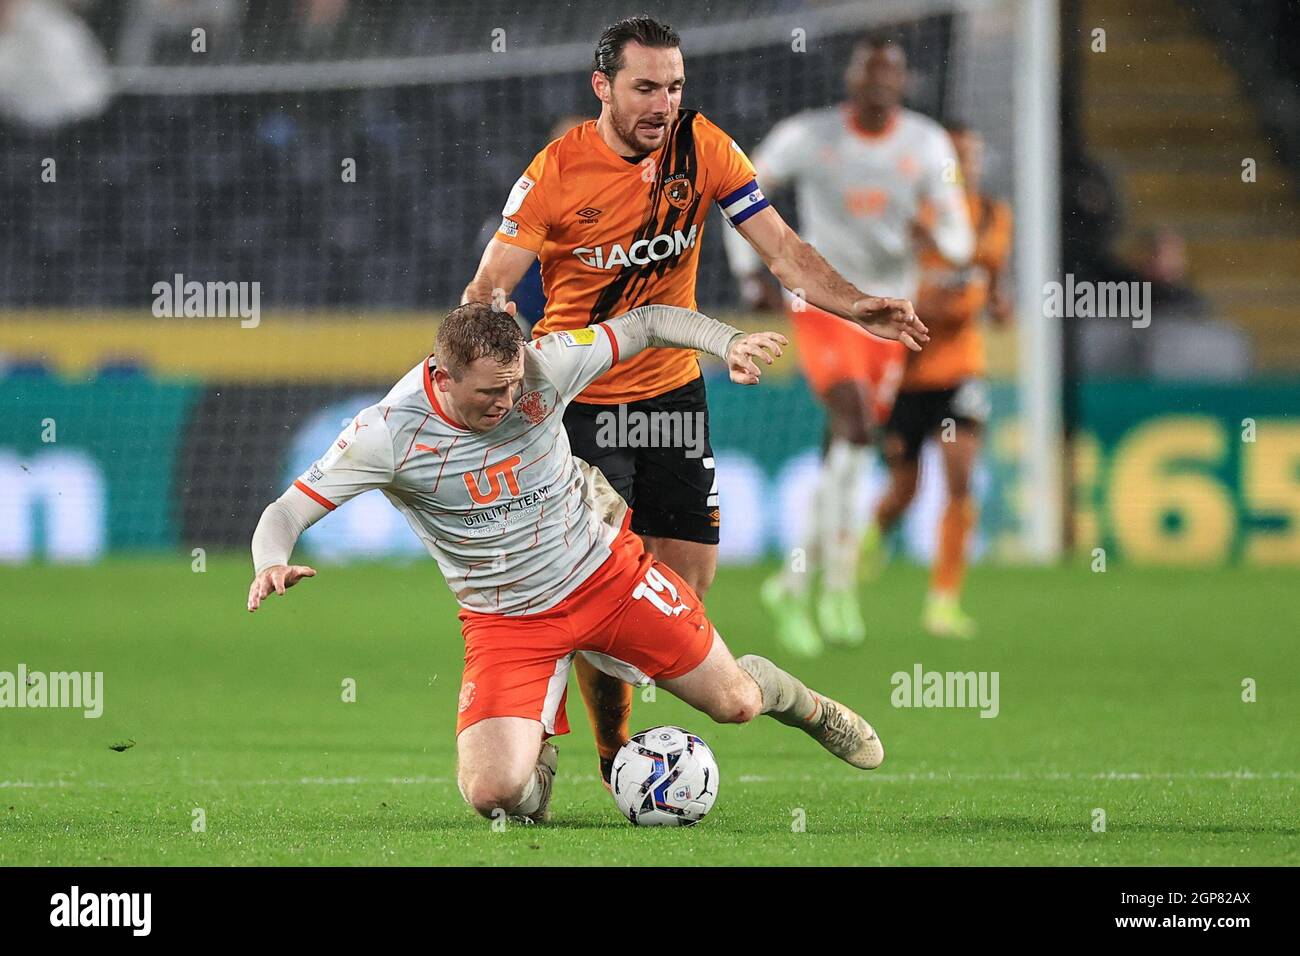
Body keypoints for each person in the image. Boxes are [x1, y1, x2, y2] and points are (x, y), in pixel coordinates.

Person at [462, 16, 925, 782]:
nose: (663, 103)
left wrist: (857, 304)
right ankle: (609, 755)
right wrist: (490, 333)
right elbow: (487, 286)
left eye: (674, 87)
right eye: (646, 87)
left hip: (674, 396)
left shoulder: (704, 149)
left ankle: (764, 687)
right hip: (577, 407)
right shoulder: (554, 173)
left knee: (681, 599)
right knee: (601, 590)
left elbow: (782, 250)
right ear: (602, 87)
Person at [247, 303, 905, 823]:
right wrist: (271, 561)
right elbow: (285, 512)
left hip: (607, 578)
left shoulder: (548, 363)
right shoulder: (386, 434)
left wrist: (724, 341)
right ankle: (537, 770)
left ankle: (809, 707)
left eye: (513, 385)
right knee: (494, 795)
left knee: (733, 703)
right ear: (440, 376)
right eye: (488, 393)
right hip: (506, 622)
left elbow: (647, 321)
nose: (506, 402)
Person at [724, 33, 973, 655]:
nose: (880, 82)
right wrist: (751, 270)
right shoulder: (809, 137)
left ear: (904, 81)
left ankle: (797, 583)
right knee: (857, 426)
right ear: (853, 79)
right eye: (870, 71)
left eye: (891, 72)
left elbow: (961, 236)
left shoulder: (927, 144)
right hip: (826, 302)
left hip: (889, 313)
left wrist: (932, 231)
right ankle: (832, 586)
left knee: (848, 453)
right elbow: (739, 189)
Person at [862, 122, 1012, 639]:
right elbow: (900, 298)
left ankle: (944, 601)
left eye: (973, 155)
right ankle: (871, 537)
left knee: (960, 479)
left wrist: (995, 304)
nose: (967, 165)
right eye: (957, 155)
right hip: (907, 373)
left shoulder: (994, 216)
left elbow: (990, 280)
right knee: (905, 489)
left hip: (961, 372)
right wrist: (945, 302)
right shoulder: (913, 220)